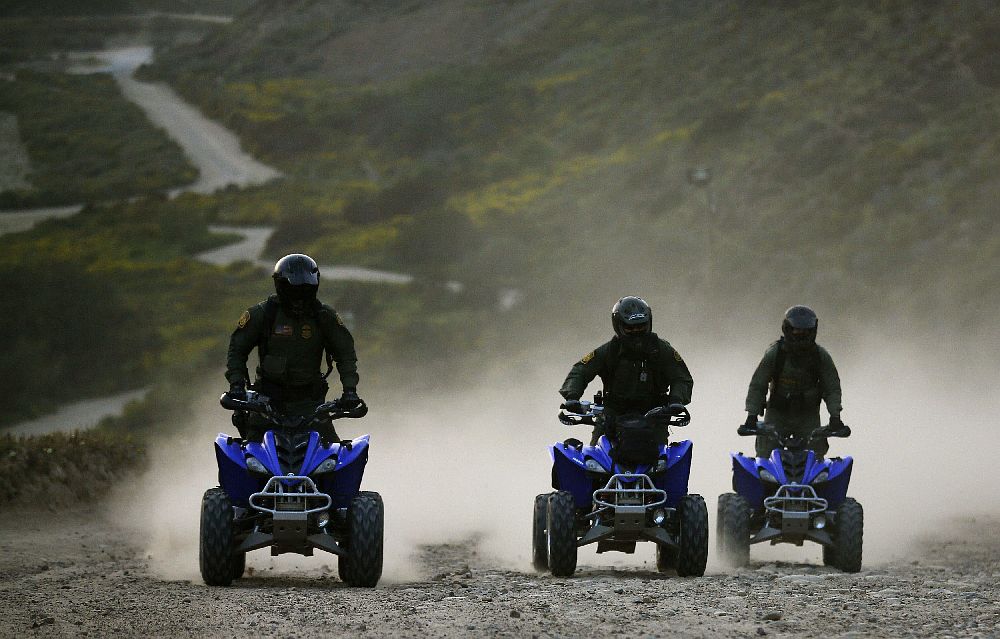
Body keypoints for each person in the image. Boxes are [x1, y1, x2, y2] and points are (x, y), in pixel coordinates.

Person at [224, 253, 362, 442]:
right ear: (281, 287)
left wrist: (350, 391)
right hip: (266, 405)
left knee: (336, 457)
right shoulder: (263, 314)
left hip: (311, 406)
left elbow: (345, 354)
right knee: (247, 456)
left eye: (306, 291)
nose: (300, 299)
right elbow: (237, 350)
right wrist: (237, 385)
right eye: (294, 291)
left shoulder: (324, 317)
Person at [559, 296, 693, 446]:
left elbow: (681, 378)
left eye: (641, 327)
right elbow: (580, 371)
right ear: (619, 326)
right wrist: (572, 396)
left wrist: (676, 401)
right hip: (612, 416)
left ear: (649, 324)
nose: (636, 332)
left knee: (664, 459)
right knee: (593, 455)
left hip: (655, 416)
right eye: (630, 328)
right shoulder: (610, 350)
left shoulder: (662, 350)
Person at [740, 305, 849, 457]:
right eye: (797, 330)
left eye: (805, 331)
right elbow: (758, 384)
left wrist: (835, 416)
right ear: (787, 329)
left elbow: (832, 388)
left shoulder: (820, 356)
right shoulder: (775, 354)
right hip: (777, 414)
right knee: (765, 452)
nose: (801, 335)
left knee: (816, 454)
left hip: (808, 416)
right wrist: (751, 415)